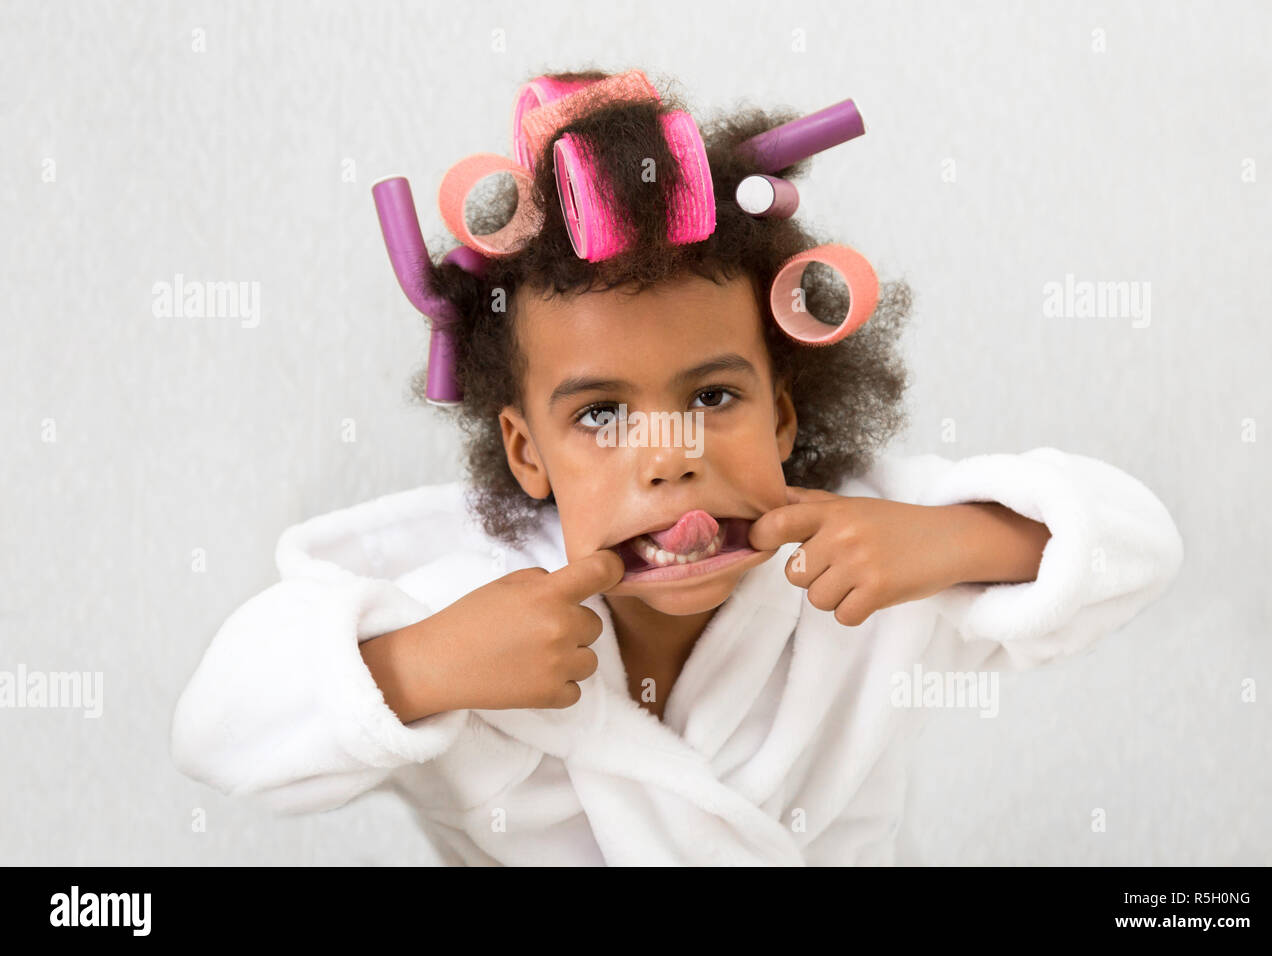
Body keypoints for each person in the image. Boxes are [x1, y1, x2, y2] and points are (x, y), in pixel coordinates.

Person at [170, 69, 1184, 865]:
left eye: (712, 397)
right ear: (526, 451)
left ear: (783, 412)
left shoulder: (866, 557)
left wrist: (963, 537)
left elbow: (1136, 547)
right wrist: (420, 666)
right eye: (602, 414)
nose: (672, 457)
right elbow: (219, 728)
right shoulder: (456, 598)